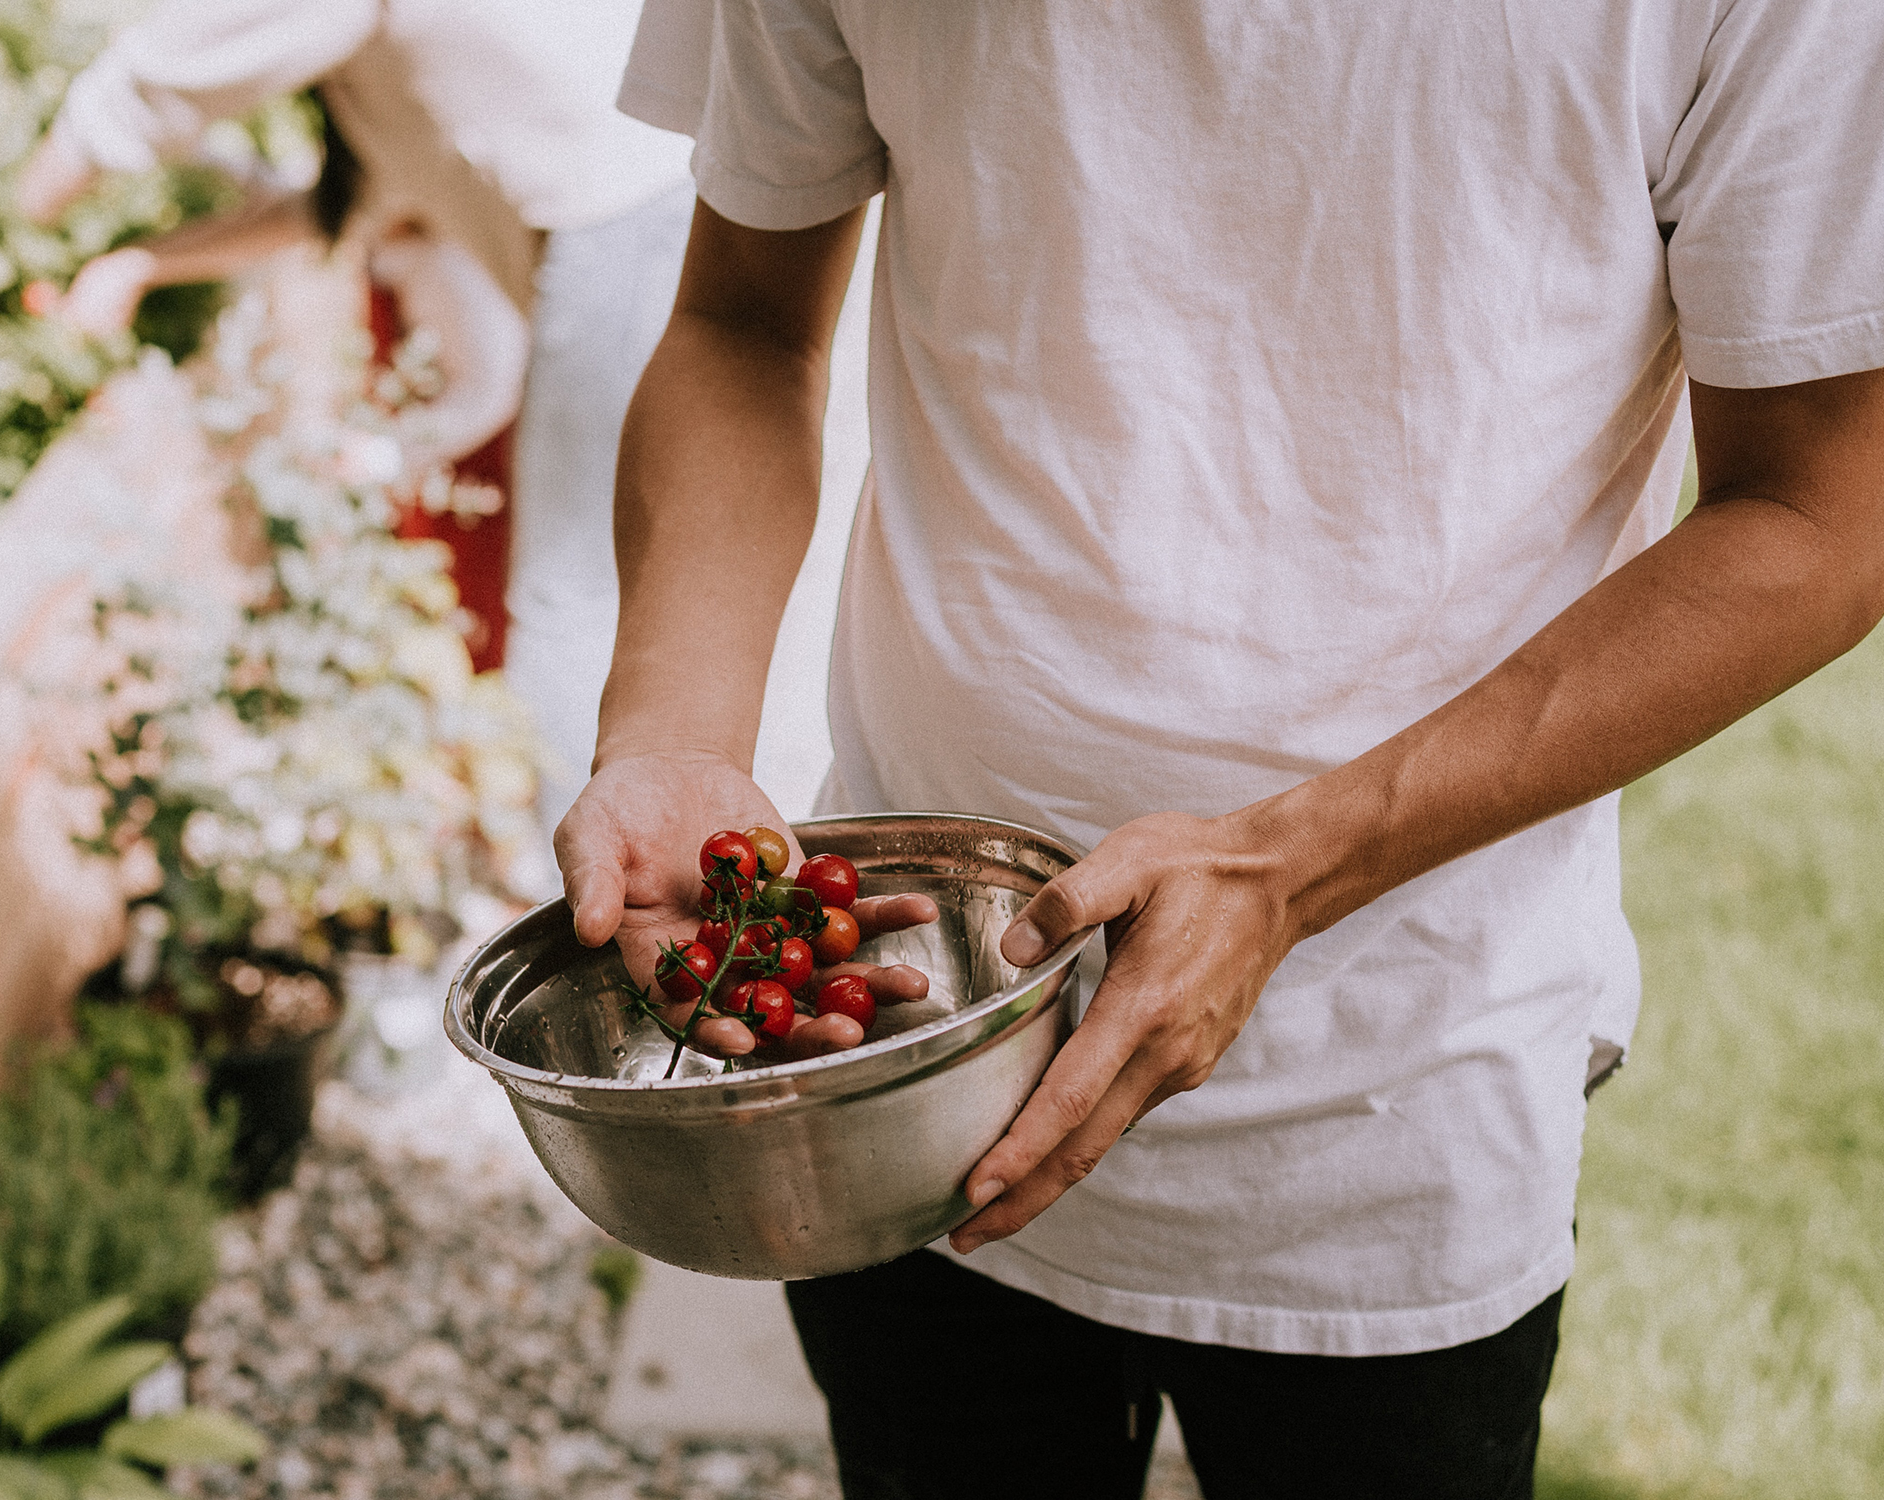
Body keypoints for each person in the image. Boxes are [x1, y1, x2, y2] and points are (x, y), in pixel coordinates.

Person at [559, 2, 1884, 1496]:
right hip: (902, 1035)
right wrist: (673, 730)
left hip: (1391, 1083)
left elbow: (1816, 518)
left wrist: (1291, 868)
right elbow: (742, 323)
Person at [18, 0, 697, 835]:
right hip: (638, 211)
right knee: (618, 590)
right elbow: (339, 205)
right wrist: (138, 263)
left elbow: (157, 80)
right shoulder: (393, 77)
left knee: (570, 601)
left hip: (624, 223)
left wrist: (29, 204)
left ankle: (593, 886)